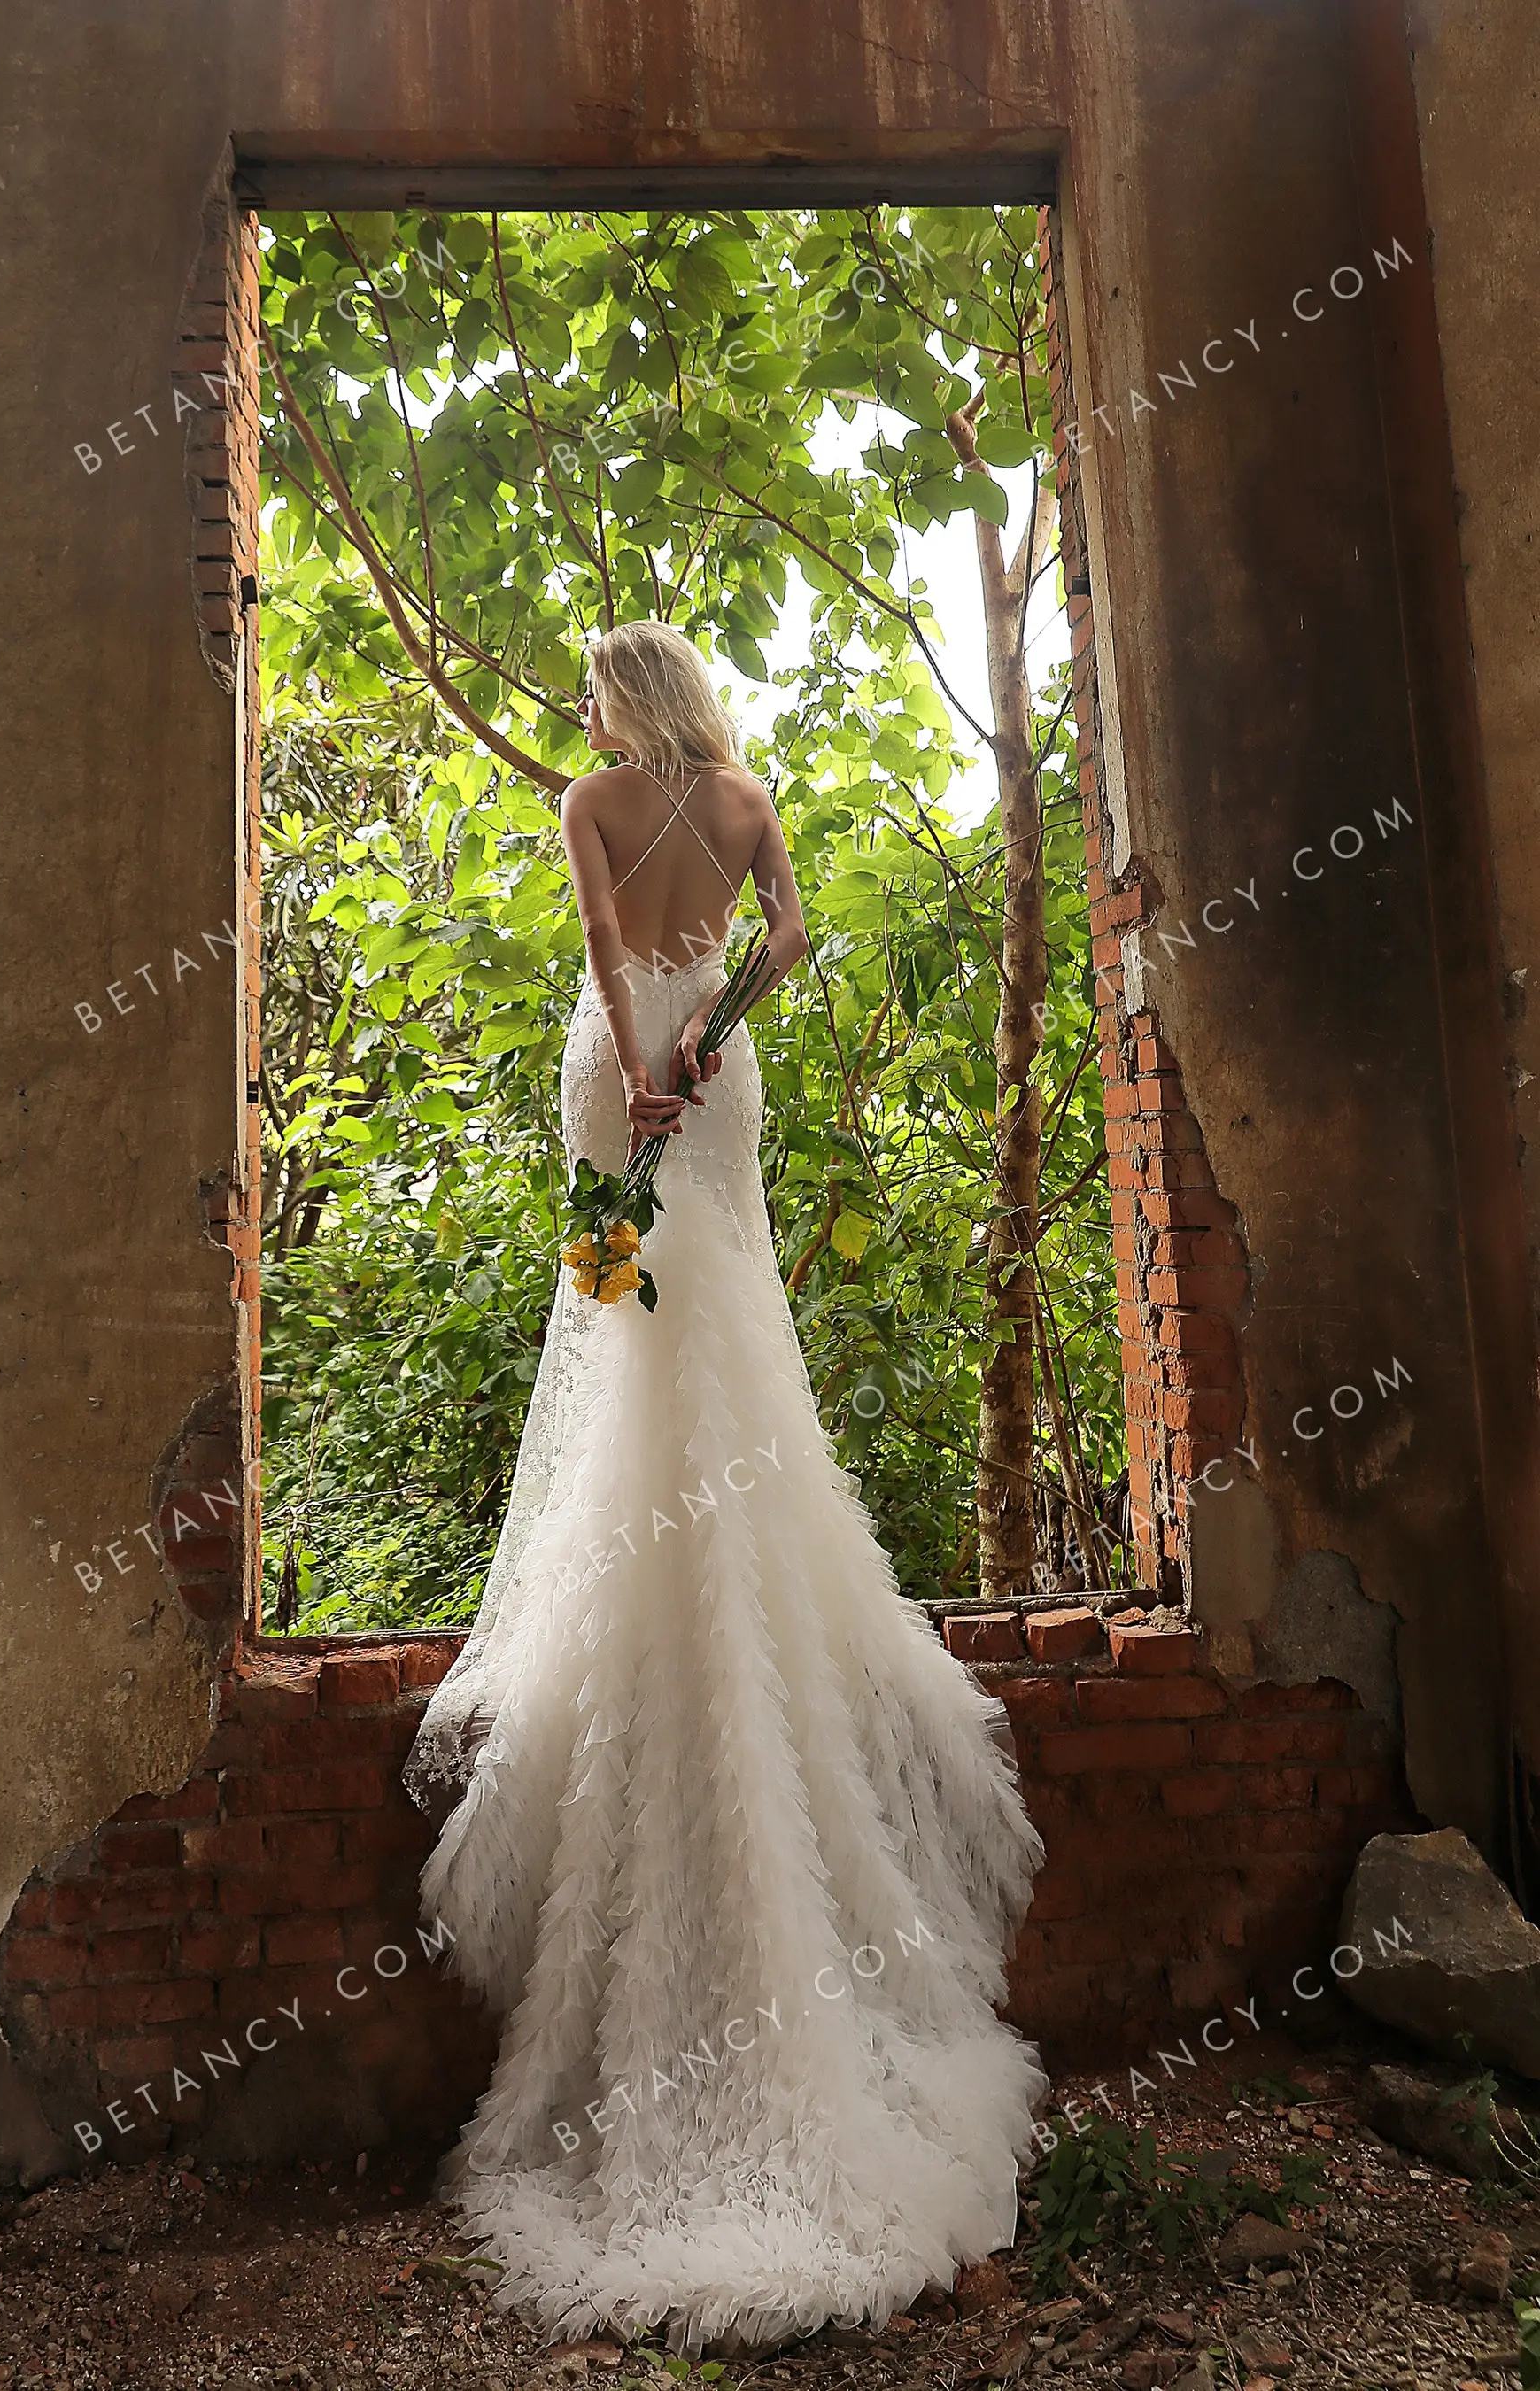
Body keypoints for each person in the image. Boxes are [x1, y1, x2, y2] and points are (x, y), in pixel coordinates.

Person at [403, 621, 1047, 2357]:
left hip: (633, 1082)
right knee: (726, 1314)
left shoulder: (593, 799)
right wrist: (724, 1034)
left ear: (620, 699)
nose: (594, 716)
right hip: (723, 1072)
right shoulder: (747, 795)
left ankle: (652, 1563)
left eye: (596, 689)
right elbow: (791, 934)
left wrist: (648, 1065)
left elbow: (608, 951)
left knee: (629, 1318)